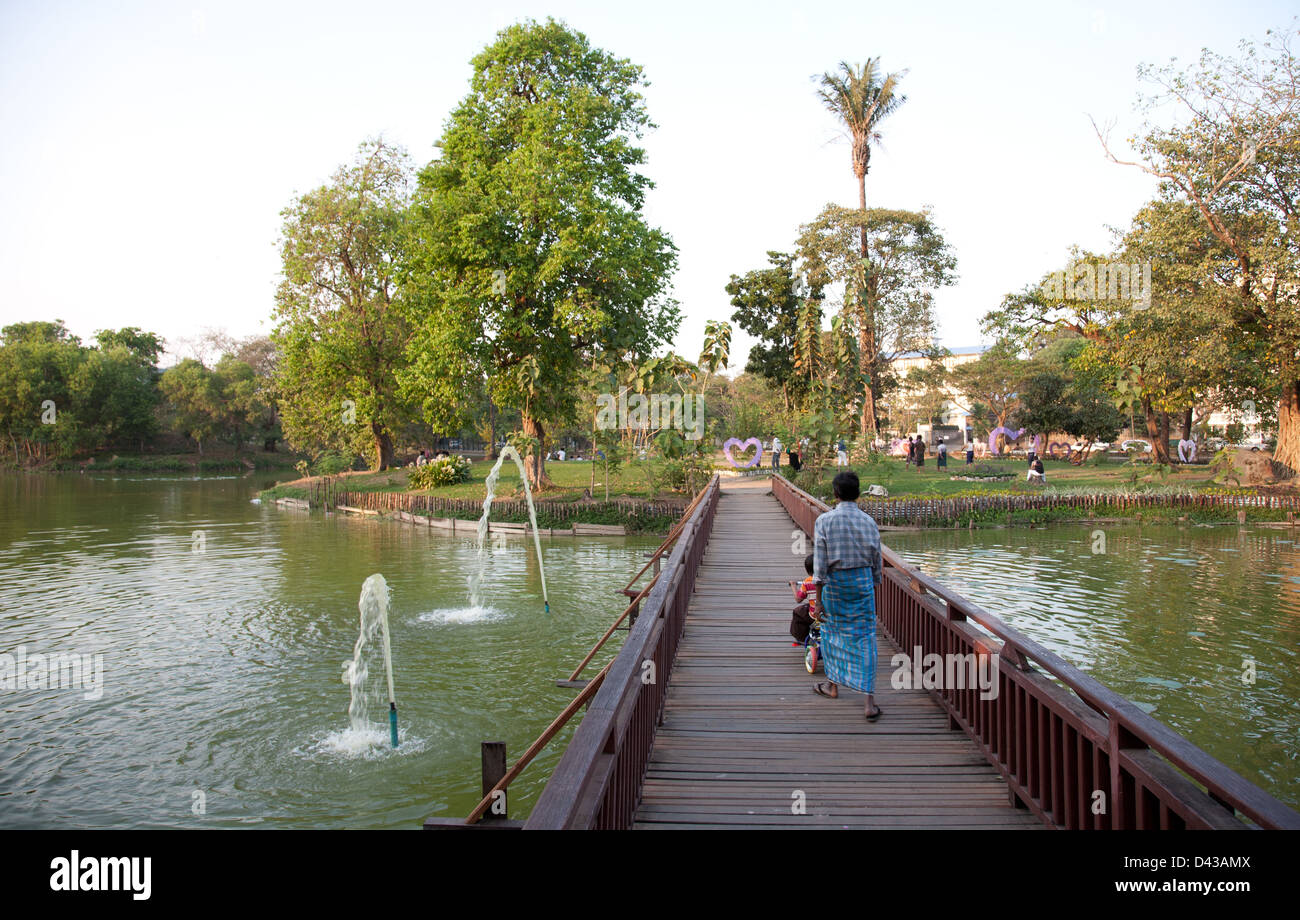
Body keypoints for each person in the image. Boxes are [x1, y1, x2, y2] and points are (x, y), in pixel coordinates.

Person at [810, 471, 882, 720]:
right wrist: (872, 585)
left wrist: (818, 601)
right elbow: (877, 560)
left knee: (833, 635)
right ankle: (868, 703)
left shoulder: (824, 521)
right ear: (858, 493)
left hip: (836, 585)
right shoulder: (868, 522)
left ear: (835, 494)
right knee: (865, 638)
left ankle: (832, 686)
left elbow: (819, 566)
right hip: (862, 584)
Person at [788, 553, 819, 644]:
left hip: (814, 615)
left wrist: (793, 586)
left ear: (808, 571)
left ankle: (801, 637)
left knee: (798, 612)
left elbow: (798, 599)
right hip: (829, 613)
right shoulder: (829, 579)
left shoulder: (807, 582)